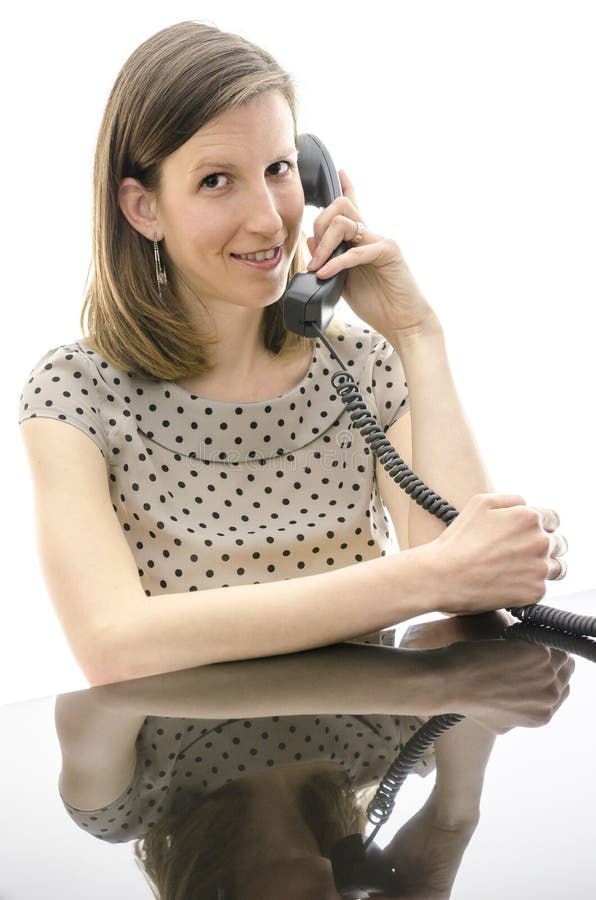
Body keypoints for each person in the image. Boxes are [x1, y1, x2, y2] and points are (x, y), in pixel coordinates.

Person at [18, 20, 571, 899]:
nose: (267, 216)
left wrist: (420, 337)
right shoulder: (76, 392)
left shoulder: (357, 365)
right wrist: (435, 577)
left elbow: (479, 598)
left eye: (279, 169)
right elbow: (117, 648)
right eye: (215, 181)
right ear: (141, 207)